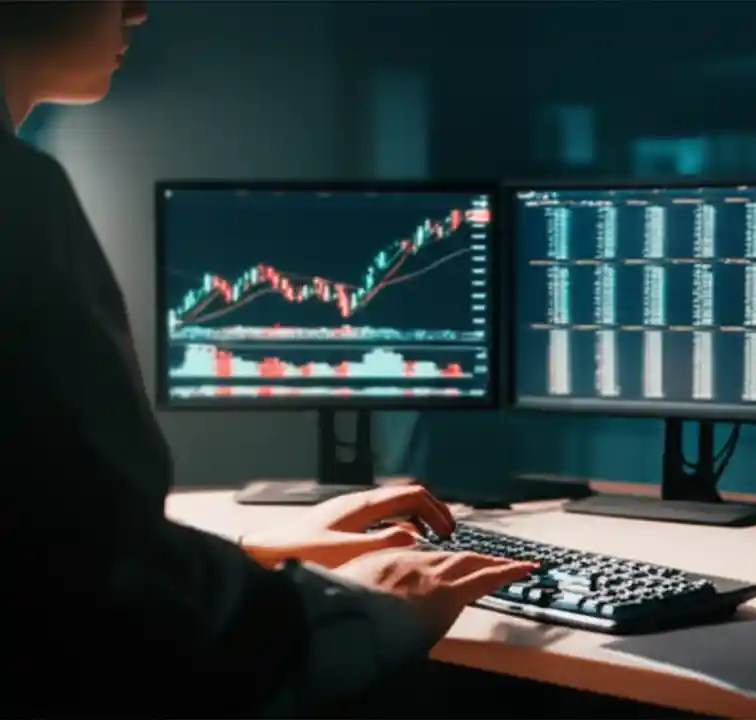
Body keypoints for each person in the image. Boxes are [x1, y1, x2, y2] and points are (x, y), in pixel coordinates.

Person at [0, 2, 536, 716]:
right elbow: (98, 607)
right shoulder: (20, 202)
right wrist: (369, 610)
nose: (138, 9)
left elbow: (52, 540)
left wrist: (252, 550)